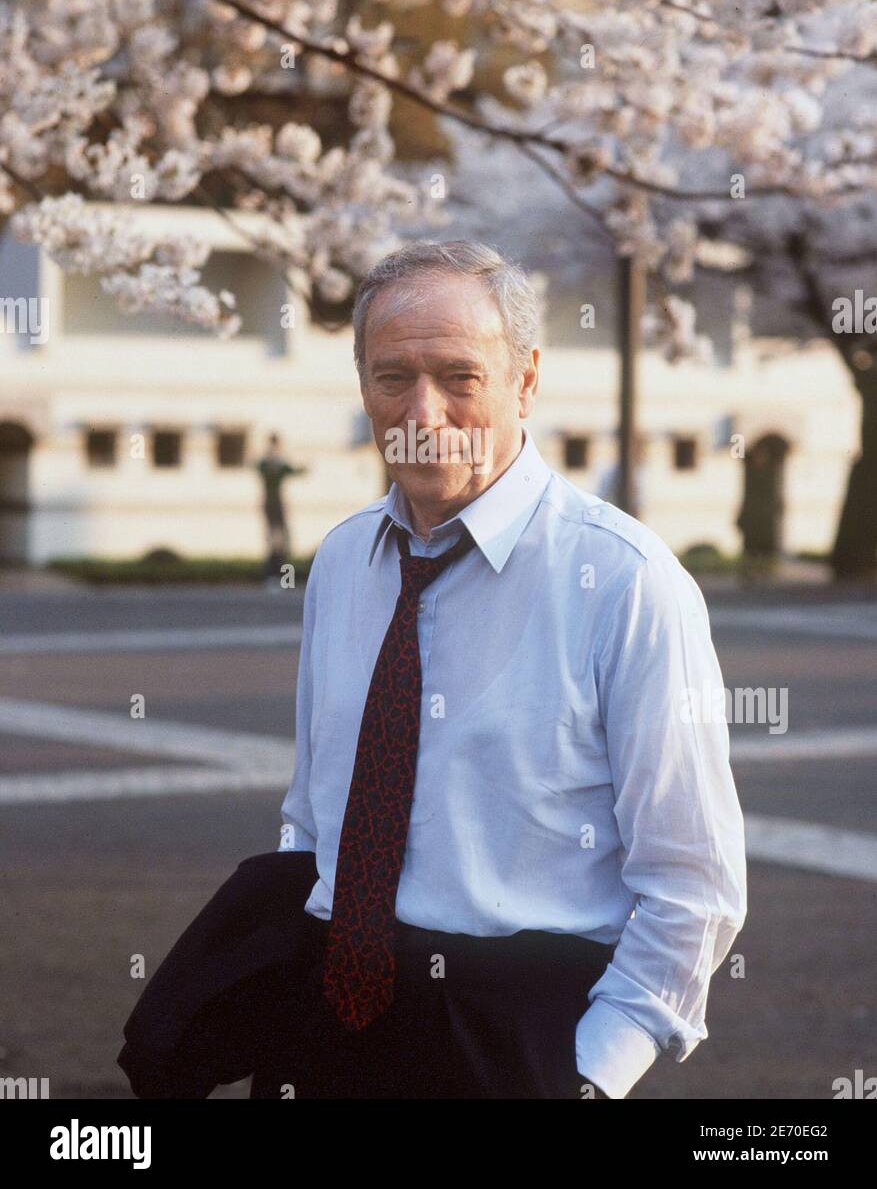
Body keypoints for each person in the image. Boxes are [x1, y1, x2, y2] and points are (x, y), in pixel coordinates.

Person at [117, 240, 746, 1101]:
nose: (423, 411)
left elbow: (694, 885)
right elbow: (311, 814)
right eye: (392, 378)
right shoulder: (341, 562)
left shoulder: (628, 583)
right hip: (327, 1026)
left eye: (460, 376)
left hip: (513, 1039)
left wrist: (591, 1075)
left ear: (526, 380)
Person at [255, 434, 307, 585]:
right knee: (273, 540)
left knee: (282, 540)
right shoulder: (267, 463)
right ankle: (273, 577)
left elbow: (295, 470)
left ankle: (285, 579)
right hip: (271, 504)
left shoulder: (276, 463)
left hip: (277, 504)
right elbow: (258, 466)